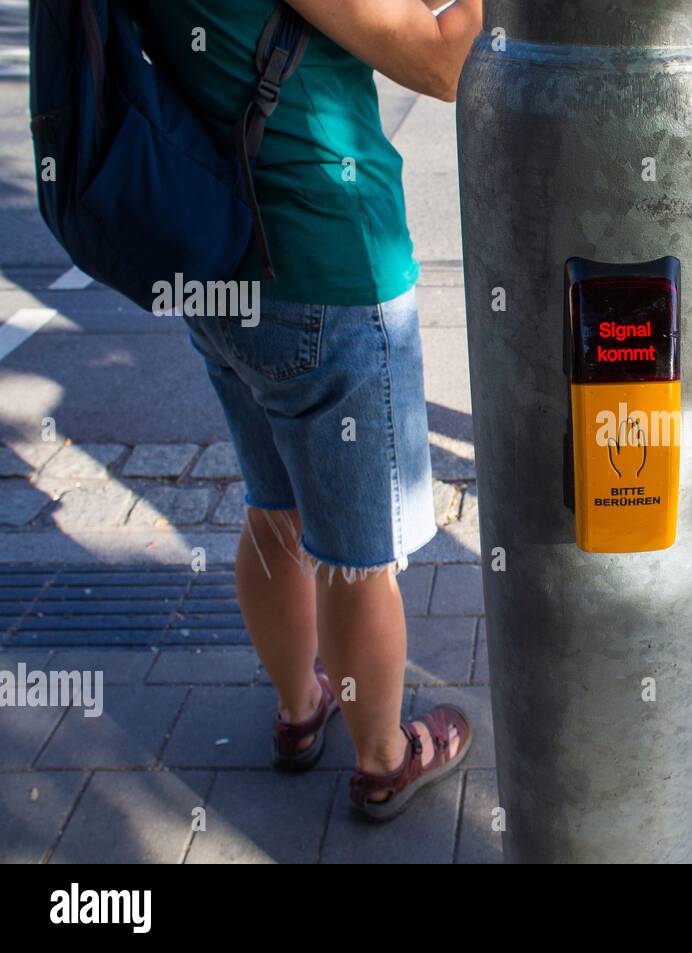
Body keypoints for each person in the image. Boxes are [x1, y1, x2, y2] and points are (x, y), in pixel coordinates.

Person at [130, 0, 483, 819]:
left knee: (272, 503)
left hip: (217, 254)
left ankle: (298, 711)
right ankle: (385, 759)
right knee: (359, 559)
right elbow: (442, 58)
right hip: (322, 262)